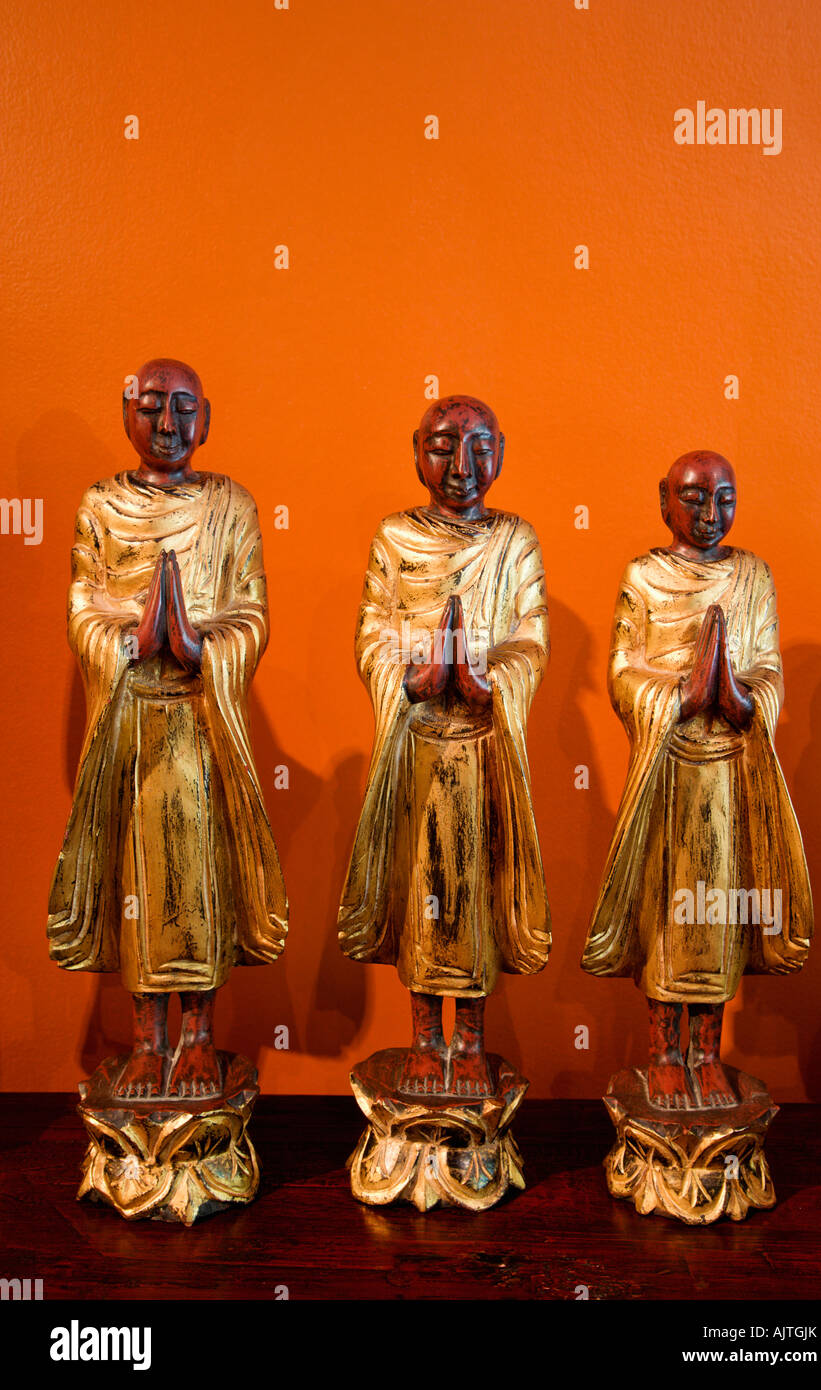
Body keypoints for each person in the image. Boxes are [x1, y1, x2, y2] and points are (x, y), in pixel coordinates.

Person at [48, 359, 288, 1100]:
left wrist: (195, 644)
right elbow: (84, 608)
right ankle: (147, 1037)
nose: (167, 423)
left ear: (206, 420)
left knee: (198, 881)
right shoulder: (102, 505)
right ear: (126, 414)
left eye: (184, 408)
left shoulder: (230, 505)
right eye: (151, 406)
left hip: (201, 722)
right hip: (130, 727)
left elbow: (251, 614)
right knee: (139, 882)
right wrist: (131, 638)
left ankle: (198, 1036)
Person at [582, 451, 812, 1109]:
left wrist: (739, 697)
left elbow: (767, 668)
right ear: (664, 499)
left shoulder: (751, 576)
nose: (710, 514)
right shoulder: (645, 577)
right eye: (692, 497)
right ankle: (662, 1054)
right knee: (665, 916)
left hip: (729, 777)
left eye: (724, 498)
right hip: (666, 774)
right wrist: (680, 696)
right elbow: (622, 672)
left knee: (717, 915)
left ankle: (706, 1055)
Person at [338, 395, 551, 1098]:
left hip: (484, 752)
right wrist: (413, 676)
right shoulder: (397, 537)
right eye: (442, 447)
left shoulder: (514, 540)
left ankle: (472, 1043)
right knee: (423, 893)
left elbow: (530, 639)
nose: (462, 466)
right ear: (415, 451)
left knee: (475, 896)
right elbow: (372, 633)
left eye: (479, 448)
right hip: (418, 751)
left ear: (501, 452)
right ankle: (426, 1039)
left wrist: (487, 680)